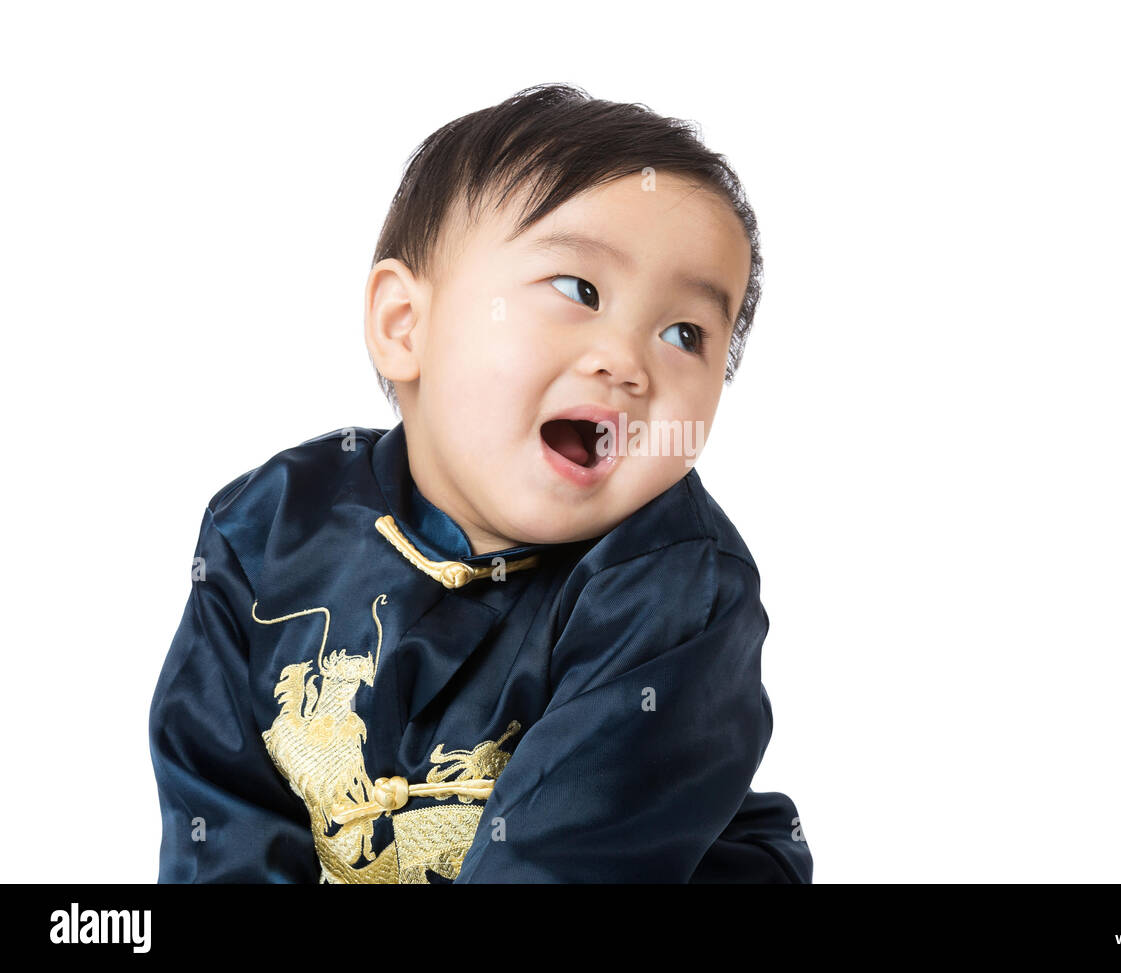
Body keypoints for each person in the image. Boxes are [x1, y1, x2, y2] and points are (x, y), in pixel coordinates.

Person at [148, 82, 812, 883]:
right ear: (406, 325)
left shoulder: (672, 588)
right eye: (580, 290)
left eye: (685, 334)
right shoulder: (266, 531)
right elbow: (219, 816)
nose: (628, 363)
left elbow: (569, 859)